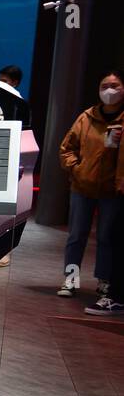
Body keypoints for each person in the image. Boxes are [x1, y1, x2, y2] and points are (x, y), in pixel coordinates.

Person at [61, 69, 124, 308]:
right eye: (105, 85)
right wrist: (76, 169)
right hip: (83, 186)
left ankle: (105, 281)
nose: (110, 90)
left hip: (114, 191)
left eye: (115, 85)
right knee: (76, 235)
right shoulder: (86, 117)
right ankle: (71, 279)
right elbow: (67, 148)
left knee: (107, 237)